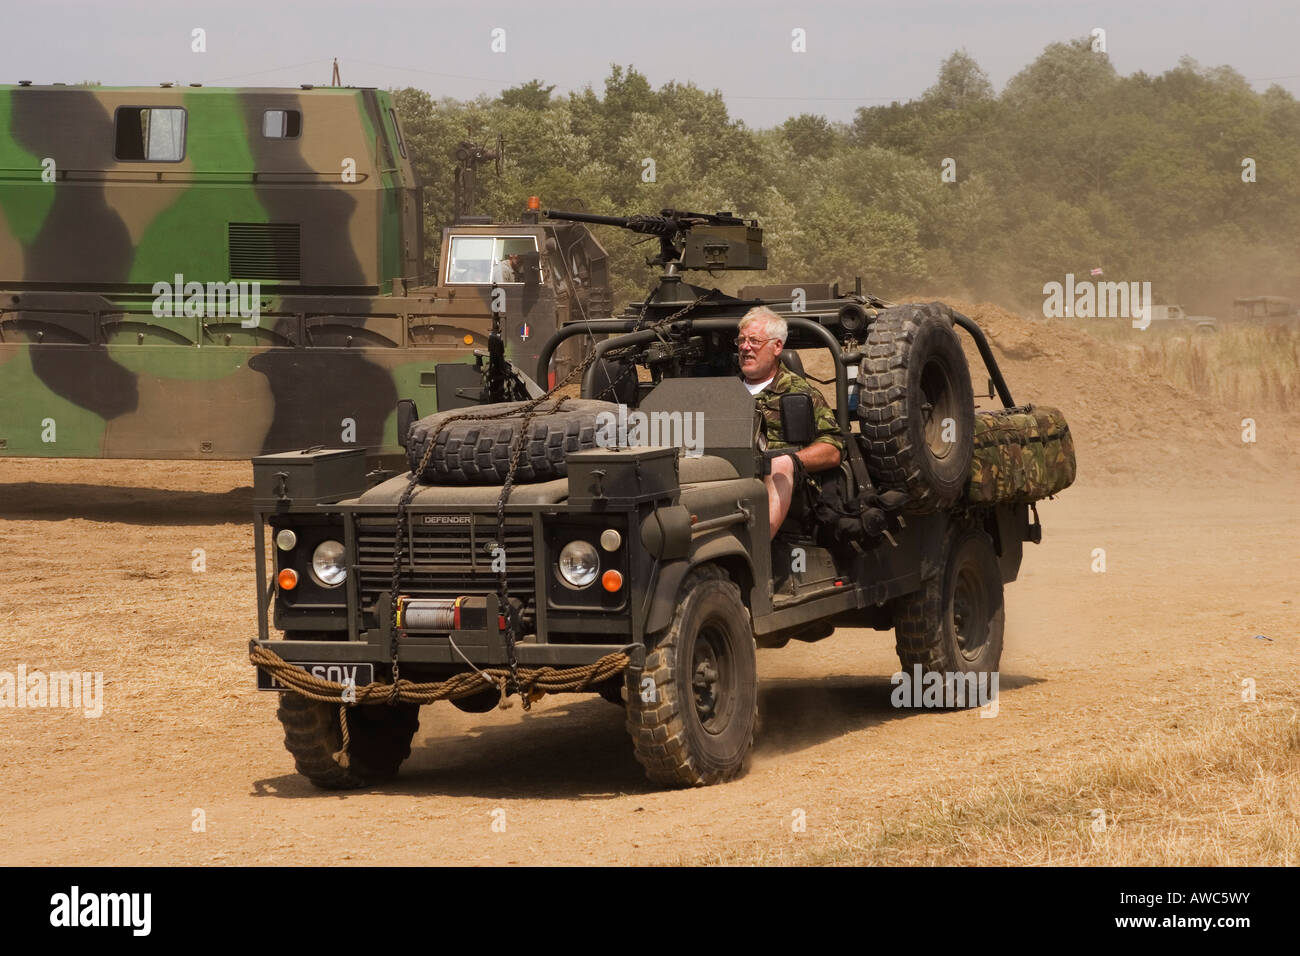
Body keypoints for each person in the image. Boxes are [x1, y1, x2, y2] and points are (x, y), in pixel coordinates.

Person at [737, 306, 844, 540]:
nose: (745, 347)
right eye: (741, 340)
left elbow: (833, 447)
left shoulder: (799, 392)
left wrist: (792, 461)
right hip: (730, 479)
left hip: (782, 486)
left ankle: (757, 548)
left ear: (777, 347)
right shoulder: (724, 391)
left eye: (754, 340)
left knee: (780, 465)